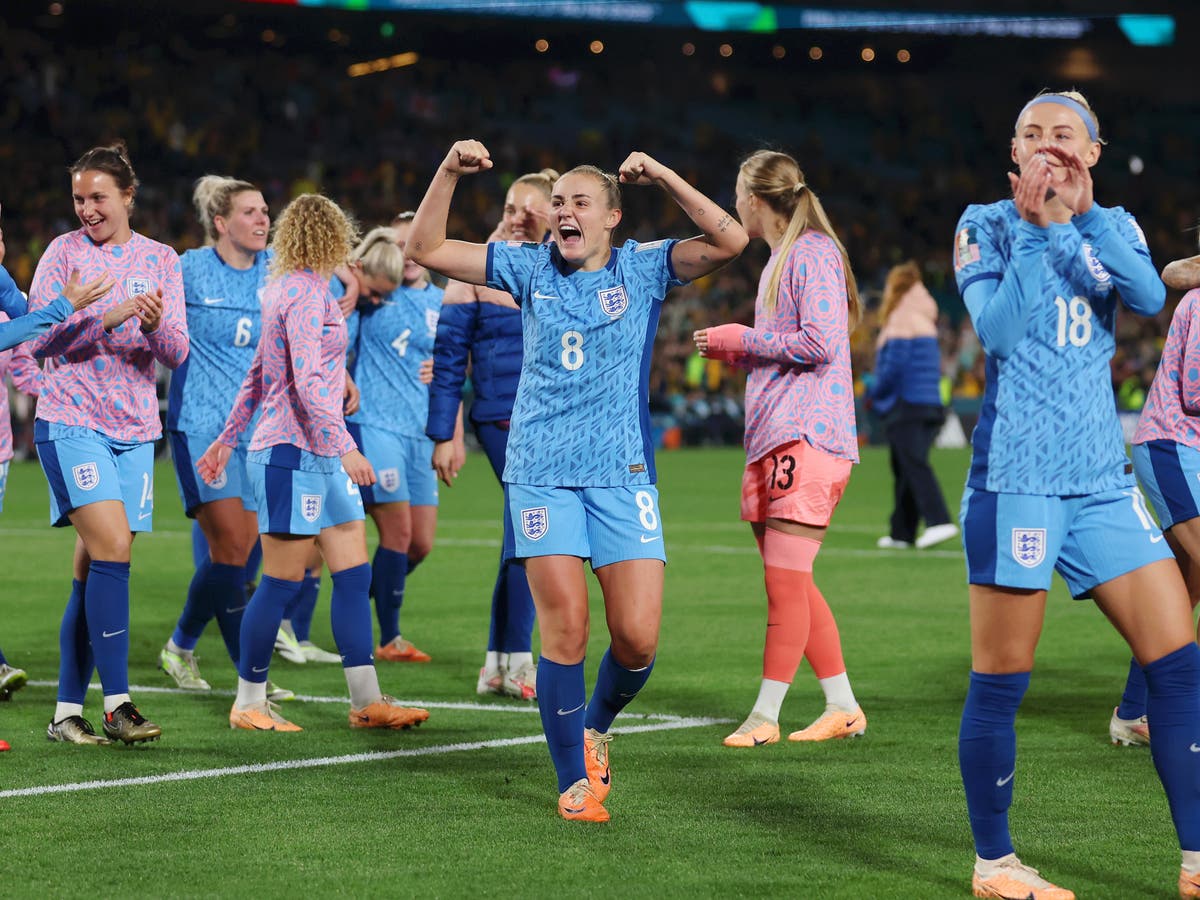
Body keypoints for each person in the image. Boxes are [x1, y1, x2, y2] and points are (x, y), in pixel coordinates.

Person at [407, 139, 748, 822]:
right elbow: (427, 246)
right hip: (541, 475)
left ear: (612, 217)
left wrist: (664, 172)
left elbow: (731, 238)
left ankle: (595, 725)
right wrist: (445, 167)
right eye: (557, 202)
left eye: (578, 202)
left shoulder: (645, 268)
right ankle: (572, 782)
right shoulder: (527, 267)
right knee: (566, 633)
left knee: (638, 640)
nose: (563, 212)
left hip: (622, 478)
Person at [953, 91, 1200, 899]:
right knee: (1003, 678)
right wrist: (1033, 230)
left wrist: (1080, 218)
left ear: (1091, 152)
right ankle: (995, 863)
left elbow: (1149, 295)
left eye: (1065, 135)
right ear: (1013, 155)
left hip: (1102, 482)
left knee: (1179, 663)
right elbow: (998, 332)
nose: (1048, 146)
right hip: (1017, 481)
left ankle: (1197, 858)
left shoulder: (1115, 224)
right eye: (1031, 134)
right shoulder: (983, 223)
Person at [197, 193, 428, 734]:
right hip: (293, 454)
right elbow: (302, 379)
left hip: (311, 452)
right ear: (332, 235)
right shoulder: (302, 294)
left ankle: (366, 701)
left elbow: (258, 374)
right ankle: (249, 702)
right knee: (280, 580)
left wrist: (226, 440)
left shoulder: (293, 289)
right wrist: (344, 444)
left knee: (353, 572)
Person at [693, 149, 867, 750]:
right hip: (775, 435)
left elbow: (820, 342)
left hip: (809, 435)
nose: (734, 203)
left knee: (784, 583)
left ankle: (765, 714)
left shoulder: (812, 252)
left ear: (755, 200)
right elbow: (791, 344)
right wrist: (741, 349)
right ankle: (842, 705)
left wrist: (745, 337)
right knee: (792, 581)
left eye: (737, 193)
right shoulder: (782, 259)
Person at [27, 142, 188, 745]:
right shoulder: (63, 254)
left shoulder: (161, 258)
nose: (87, 209)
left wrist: (152, 325)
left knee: (94, 564)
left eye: (97, 197)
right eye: (78, 198)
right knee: (115, 548)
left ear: (127, 195)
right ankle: (119, 704)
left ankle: (67, 712)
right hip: (71, 423)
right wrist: (111, 316)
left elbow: (176, 351)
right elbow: (37, 340)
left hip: (136, 432)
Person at [426, 172, 555, 699]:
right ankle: (519, 662)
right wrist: (445, 432)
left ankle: (498, 664)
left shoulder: (566, 262)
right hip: (503, 416)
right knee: (536, 531)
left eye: (531, 210)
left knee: (521, 535)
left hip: (550, 419)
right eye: (510, 206)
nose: (517, 216)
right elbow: (449, 353)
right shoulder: (478, 264)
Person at [343, 221, 443, 664]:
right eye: (400, 246)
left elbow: (458, 363)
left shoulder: (443, 301)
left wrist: (451, 431)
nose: (408, 254)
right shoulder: (370, 295)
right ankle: (389, 637)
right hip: (376, 424)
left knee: (420, 542)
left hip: (421, 433)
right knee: (397, 534)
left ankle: (352, 604)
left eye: (414, 245)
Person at [1120, 247, 1200, 747]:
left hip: (1186, 449)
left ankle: (1133, 712)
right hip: (1174, 446)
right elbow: (1194, 391)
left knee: (1184, 592)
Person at [868, 261, 958, 550]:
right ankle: (901, 532)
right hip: (929, 402)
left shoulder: (901, 318)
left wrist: (875, 393)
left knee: (914, 465)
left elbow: (893, 368)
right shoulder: (923, 316)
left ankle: (938, 521)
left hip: (906, 403)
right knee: (905, 465)